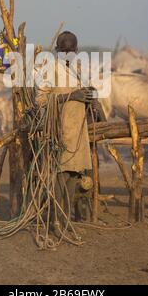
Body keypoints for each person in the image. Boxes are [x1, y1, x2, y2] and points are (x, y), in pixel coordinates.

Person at [36, 31, 96, 229]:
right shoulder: (49, 70)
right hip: (59, 133)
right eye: (64, 51)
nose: (68, 54)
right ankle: (55, 220)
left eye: (71, 51)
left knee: (73, 177)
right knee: (59, 178)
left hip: (78, 133)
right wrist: (72, 96)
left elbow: (81, 96)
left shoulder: (79, 71)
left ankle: (64, 219)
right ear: (57, 51)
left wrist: (89, 97)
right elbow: (41, 101)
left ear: (77, 51)